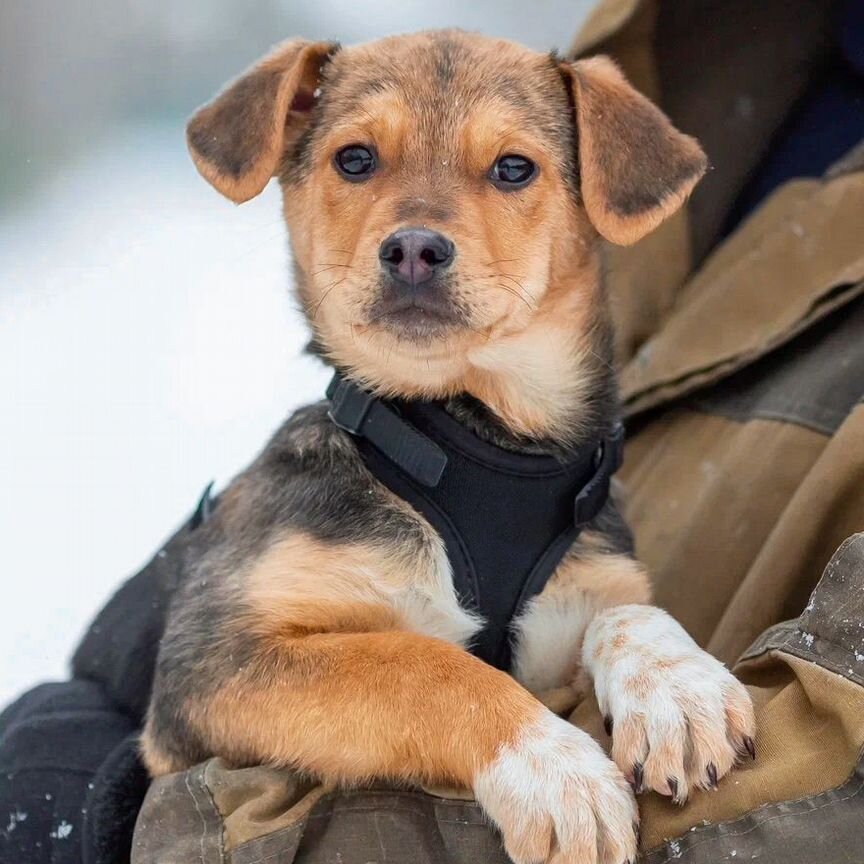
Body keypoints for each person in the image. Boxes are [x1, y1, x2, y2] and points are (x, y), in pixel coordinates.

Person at [2, 0, 863, 861]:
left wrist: (629, 640)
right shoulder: (305, 504)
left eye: (511, 171)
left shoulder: (583, 520)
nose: (419, 234)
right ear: (291, 169)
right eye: (358, 160)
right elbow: (213, 685)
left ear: (590, 198)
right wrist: (484, 724)